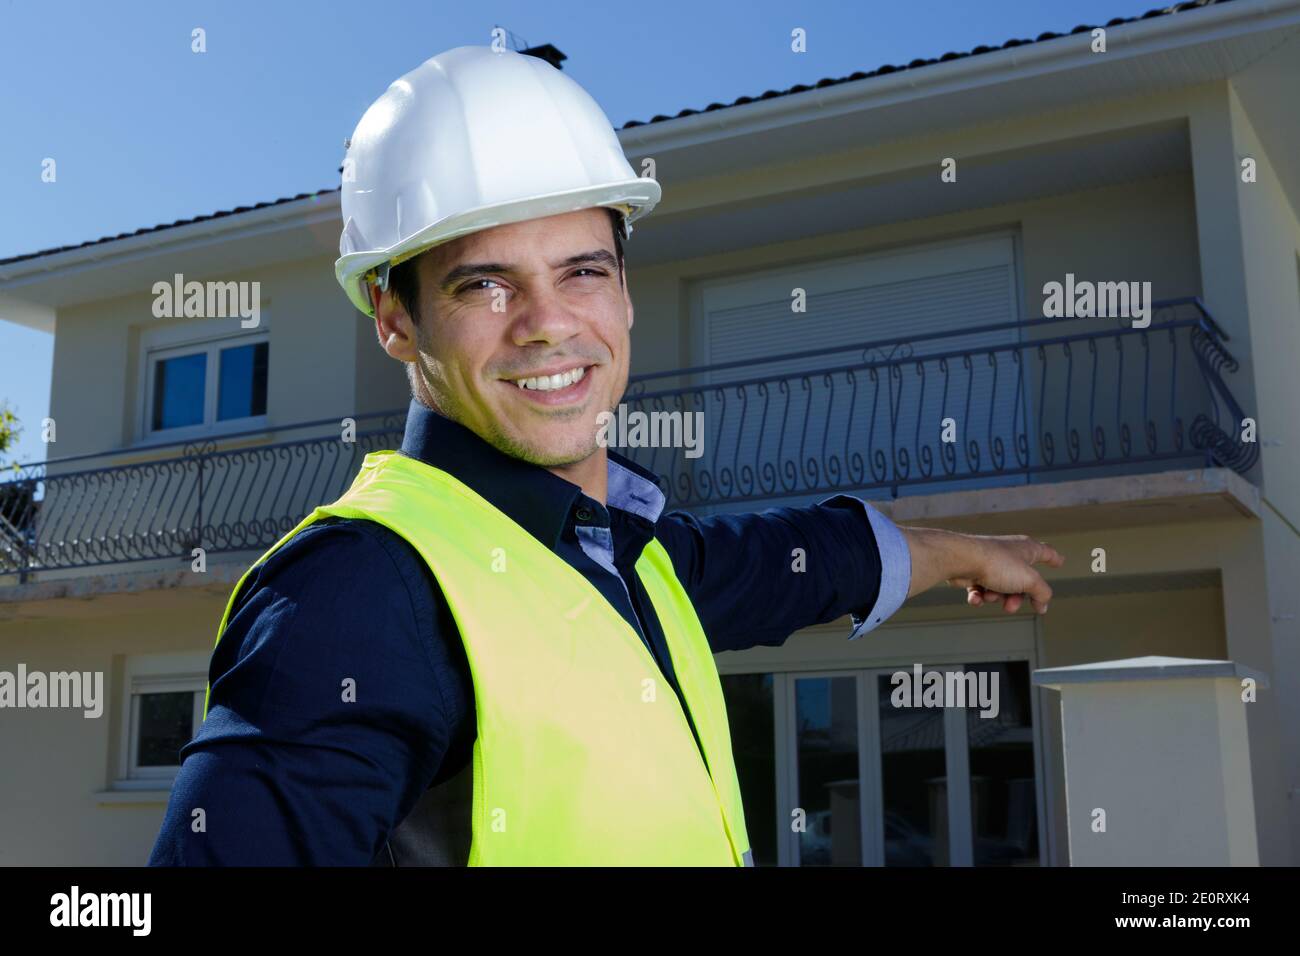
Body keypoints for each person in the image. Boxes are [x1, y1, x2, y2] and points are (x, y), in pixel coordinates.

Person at [148, 45, 1063, 867]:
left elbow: (794, 563)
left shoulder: (633, 559)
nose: (549, 324)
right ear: (395, 319)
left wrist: (957, 552)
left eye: (582, 270)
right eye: (485, 283)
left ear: (624, 293)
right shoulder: (358, 592)